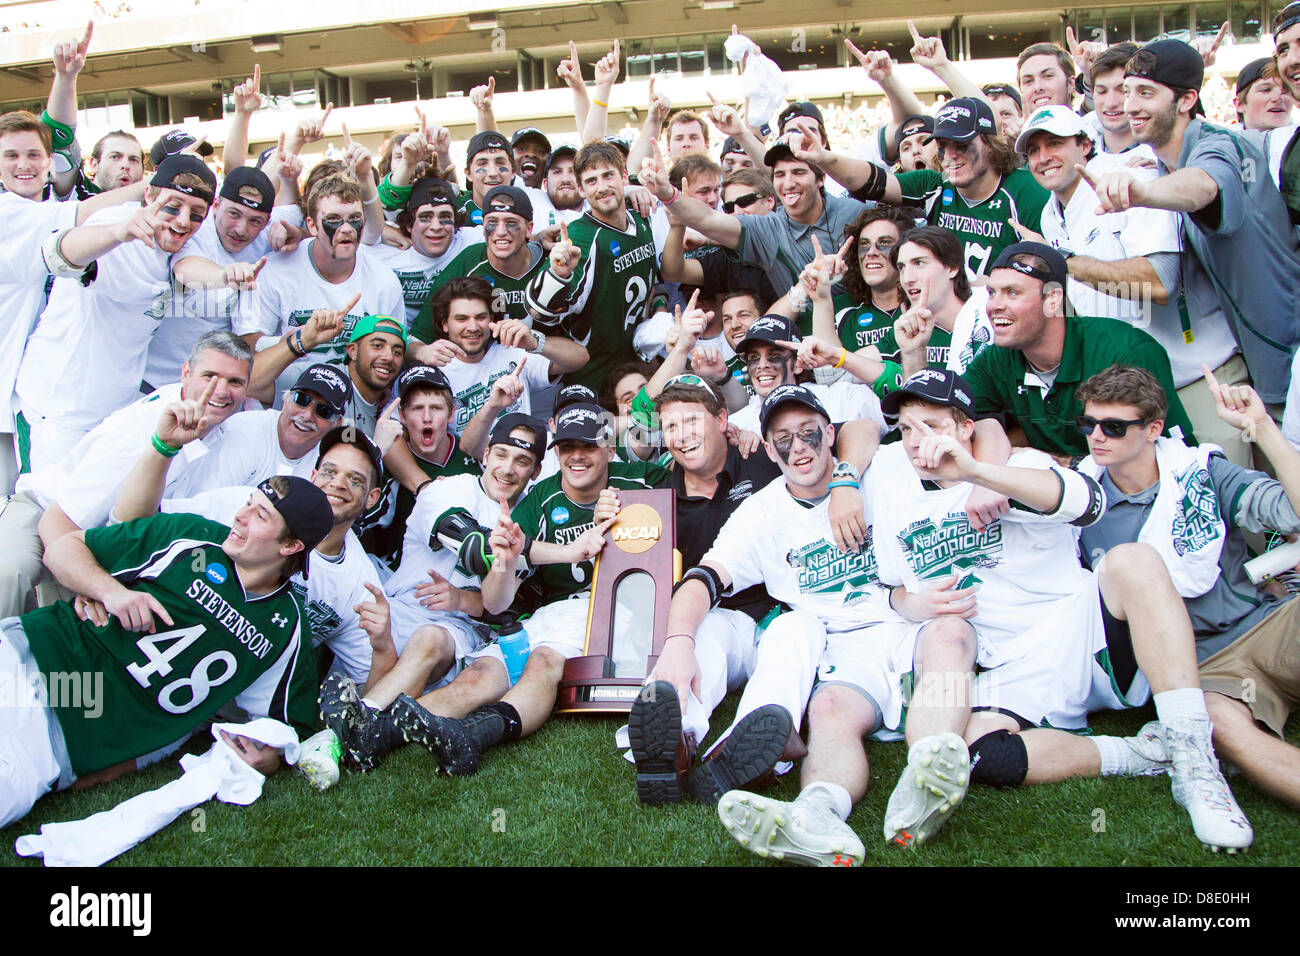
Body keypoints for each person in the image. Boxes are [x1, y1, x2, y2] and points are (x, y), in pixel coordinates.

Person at [861, 367, 1251, 852]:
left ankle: (1196, 761)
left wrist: (981, 473)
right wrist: (910, 601)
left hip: (1083, 628)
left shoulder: (1012, 466)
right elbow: (885, 580)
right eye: (906, 429)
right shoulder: (890, 481)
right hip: (1017, 665)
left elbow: (1087, 502)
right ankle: (1143, 753)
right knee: (980, 754)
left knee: (1133, 562)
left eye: (934, 426)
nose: (919, 443)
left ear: (966, 428)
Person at [0, 473, 331, 829]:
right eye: (249, 502)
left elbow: (282, 728)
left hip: (65, 736)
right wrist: (110, 591)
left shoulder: (285, 628)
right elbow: (64, 549)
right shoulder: (193, 537)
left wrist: (270, 756)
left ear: (291, 546)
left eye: (261, 515)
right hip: (30, 654)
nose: (240, 515)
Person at [671, 384, 901, 865]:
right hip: (820, 645)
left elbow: (868, 426)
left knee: (825, 699)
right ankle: (706, 743)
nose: (798, 448)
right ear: (770, 450)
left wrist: (846, 480)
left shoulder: (879, 474)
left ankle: (784, 769)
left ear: (829, 434)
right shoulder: (763, 509)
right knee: (785, 636)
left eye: (809, 434)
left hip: (887, 632)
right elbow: (704, 578)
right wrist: (676, 644)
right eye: (783, 439)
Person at [386, 402, 670, 774]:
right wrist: (504, 564)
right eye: (567, 447)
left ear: (609, 449)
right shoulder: (538, 499)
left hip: (612, 608)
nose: (577, 457)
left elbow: (689, 484)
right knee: (481, 672)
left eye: (588, 446)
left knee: (542, 661)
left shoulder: (643, 478)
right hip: (546, 613)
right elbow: (494, 600)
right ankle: (381, 732)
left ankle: (473, 735)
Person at [1077, 364, 1300, 822]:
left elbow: (1292, 515)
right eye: (1088, 424)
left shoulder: (1200, 470)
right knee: (1229, 738)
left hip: (1266, 624)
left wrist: (1264, 430)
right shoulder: (1080, 500)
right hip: (1202, 668)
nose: (1097, 436)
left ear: (1153, 428)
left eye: (1113, 427)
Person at [1012, 105, 1247, 463]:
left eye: (1054, 143)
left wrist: (1066, 263)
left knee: (1220, 497)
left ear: (1085, 145)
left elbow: (1159, 284)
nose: (1043, 158)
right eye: (1033, 150)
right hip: (1126, 386)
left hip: (1196, 374)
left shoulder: (1124, 184)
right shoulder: (1049, 211)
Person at [322, 414, 548, 772]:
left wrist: (464, 600)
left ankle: (356, 730)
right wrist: (536, 549)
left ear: (535, 471)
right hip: (403, 610)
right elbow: (473, 549)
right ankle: (349, 731)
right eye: (501, 454)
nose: (508, 469)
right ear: (485, 454)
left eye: (522, 462)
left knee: (432, 639)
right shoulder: (448, 488)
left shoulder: (533, 516)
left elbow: (509, 608)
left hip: (457, 631)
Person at [1087, 39, 1300, 410]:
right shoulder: (1163, 160)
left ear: (1186, 101)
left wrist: (1145, 192)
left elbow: (1203, 185)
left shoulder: (1218, 145)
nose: (1130, 105)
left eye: (1146, 93)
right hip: (1262, 376)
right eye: (1127, 92)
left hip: (1288, 368)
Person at [113, 410, 391, 693]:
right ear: (313, 474)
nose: (338, 483)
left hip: (238, 701)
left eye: (355, 480)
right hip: (142, 644)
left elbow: (369, 692)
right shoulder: (245, 505)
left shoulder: (360, 584)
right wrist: (107, 589)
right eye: (330, 471)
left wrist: (383, 646)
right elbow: (134, 526)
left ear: (372, 498)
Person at [0, 333, 252, 620]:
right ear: (186, 373)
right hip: (47, 517)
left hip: (108, 538)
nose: (221, 391)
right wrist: (95, 585)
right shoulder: (139, 433)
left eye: (235, 382)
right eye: (210, 376)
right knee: (10, 574)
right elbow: (59, 519)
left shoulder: (226, 429)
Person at [14, 154, 231, 469]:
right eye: (172, 206)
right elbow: (60, 254)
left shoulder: (180, 243)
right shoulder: (114, 222)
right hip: (57, 410)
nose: (183, 220)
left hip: (116, 410)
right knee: (46, 510)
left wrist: (227, 277)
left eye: (196, 214)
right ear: (149, 196)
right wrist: (118, 232)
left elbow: (190, 270)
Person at [960, 242, 1195, 458]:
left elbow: (1174, 455)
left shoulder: (1126, 353)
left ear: (1053, 299)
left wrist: (1062, 467)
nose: (994, 305)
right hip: (1050, 497)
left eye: (1012, 292)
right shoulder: (998, 358)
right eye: (992, 292)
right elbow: (945, 413)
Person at [810, 97, 1050, 279]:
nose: (950, 155)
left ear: (990, 144)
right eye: (943, 145)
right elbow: (871, 182)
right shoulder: (934, 184)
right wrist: (821, 157)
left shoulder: (1027, 190)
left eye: (962, 144)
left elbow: (1055, 275)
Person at [236, 174, 404, 399]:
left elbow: (393, 358)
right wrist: (301, 340)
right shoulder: (275, 271)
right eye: (333, 219)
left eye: (355, 218)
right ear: (312, 225)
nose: (346, 228)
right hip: (286, 399)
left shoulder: (384, 280)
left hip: (353, 403)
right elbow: (247, 351)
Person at [527, 141, 662, 392]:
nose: (601, 188)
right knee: (610, 432)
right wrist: (558, 274)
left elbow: (654, 281)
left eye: (608, 176)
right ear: (581, 189)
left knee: (648, 429)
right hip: (592, 380)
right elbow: (540, 313)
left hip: (635, 370)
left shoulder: (641, 219)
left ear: (624, 176)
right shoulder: (582, 237)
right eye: (591, 181)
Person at [145, 165, 279, 392]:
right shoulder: (196, 229)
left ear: (266, 222)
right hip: (154, 382)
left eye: (255, 221)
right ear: (215, 207)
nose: (241, 229)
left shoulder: (265, 237)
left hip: (209, 388)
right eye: (233, 214)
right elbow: (185, 268)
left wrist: (293, 234)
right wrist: (224, 276)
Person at [413, 276, 586, 435]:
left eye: (480, 317)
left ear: (492, 318)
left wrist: (534, 342)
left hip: (520, 460)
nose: (473, 327)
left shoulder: (511, 353)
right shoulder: (433, 371)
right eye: (462, 319)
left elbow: (580, 358)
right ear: (444, 324)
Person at [359, 366, 482, 572]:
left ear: (451, 413)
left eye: (436, 408)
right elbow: (356, 519)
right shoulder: (392, 468)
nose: (427, 417)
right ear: (402, 415)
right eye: (417, 408)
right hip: (403, 579)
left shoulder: (472, 456)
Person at [174, 363, 352, 497]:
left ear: (337, 425)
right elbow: (206, 506)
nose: (307, 415)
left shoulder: (332, 458)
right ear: (285, 400)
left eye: (324, 411)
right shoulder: (245, 431)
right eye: (301, 399)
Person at [370, 177, 479, 326]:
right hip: (400, 342)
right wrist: (379, 231)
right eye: (425, 217)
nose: (436, 226)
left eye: (445, 217)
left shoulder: (469, 240)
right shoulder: (385, 249)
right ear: (409, 224)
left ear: (456, 223)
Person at [1234, 57, 1295, 131]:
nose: (1279, 98)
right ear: (1240, 104)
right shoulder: (1224, 140)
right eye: (1266, 90)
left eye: (1286, 89)